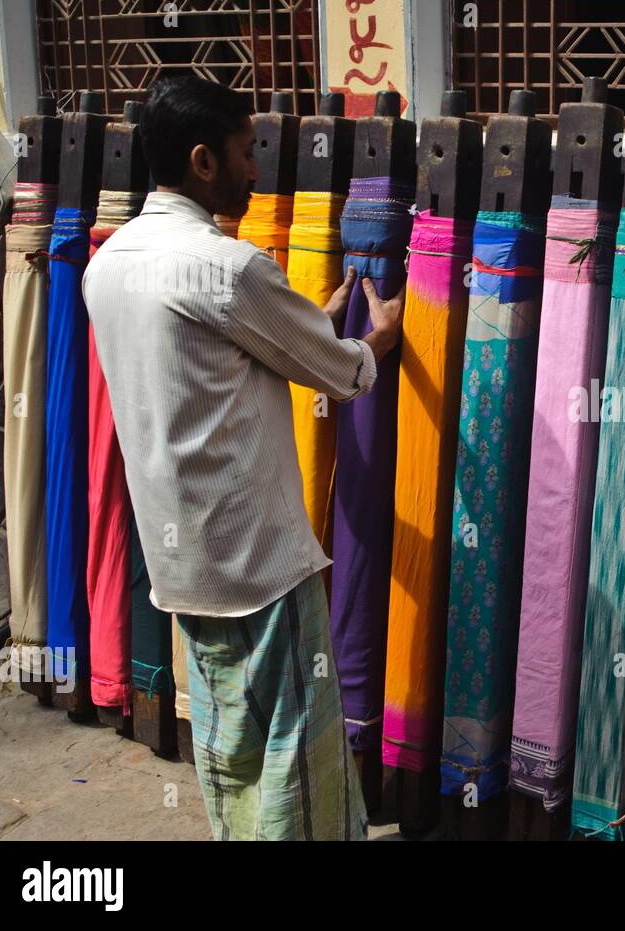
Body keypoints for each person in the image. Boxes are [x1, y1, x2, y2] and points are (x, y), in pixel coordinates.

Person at [84, 75, 403, 840]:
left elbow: (198, 367)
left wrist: (303, 326)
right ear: (202, 161)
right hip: (259, 563)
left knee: (232, 752)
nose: (256, 171)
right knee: (299, 763)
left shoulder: (110, 263)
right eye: (245, 151)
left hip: (183, 559)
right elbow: (341, 372)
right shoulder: (227, 266)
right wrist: (376, 339)